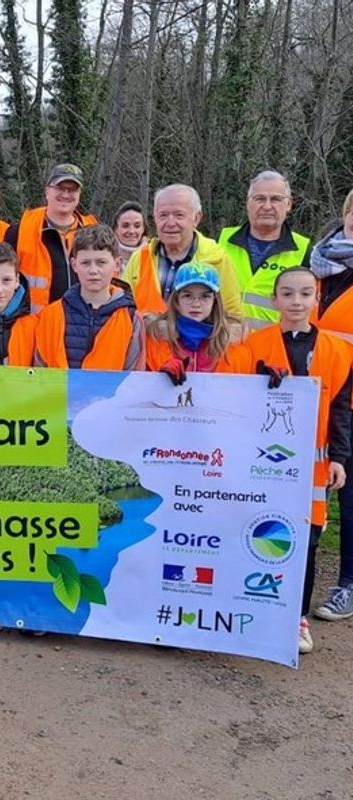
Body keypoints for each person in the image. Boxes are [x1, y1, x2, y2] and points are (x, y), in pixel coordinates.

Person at [226, 268, 352, 654]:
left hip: (311, 472)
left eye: (304, 294)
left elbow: (341, 409)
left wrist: (339, 458)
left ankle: (296, 618)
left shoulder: (336, 351)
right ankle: (251, 611)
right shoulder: (253, 344)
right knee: (254, 534)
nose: (296, 302)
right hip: (259, 466)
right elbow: (234, 399)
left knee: (306, 541)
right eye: (287, 294)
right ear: (275, 300)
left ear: (316, 299)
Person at [310, 187, 353, 621]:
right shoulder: (318, 266)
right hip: (308, 397)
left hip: (349, 400)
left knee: (349, 495)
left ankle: (348, 584)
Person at [121, 184, 243, 320]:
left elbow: (232, 318)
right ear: (154, 218)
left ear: (196, 218)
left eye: (179, 215)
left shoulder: (217, 259)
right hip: (144, 341)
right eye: (163, 215)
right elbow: (122, 309)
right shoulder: (139, 258)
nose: (170, 222)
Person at [33, 224, 145, 370]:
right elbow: (41, 373)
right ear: (74, 265)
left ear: (117, 264)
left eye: (101, 263)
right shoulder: (51, 315)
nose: (93, 271)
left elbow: (134, 377)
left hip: (111, 393)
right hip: (59, 393)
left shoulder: (131, 319)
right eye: (85, 263)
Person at [218, 171, 312, 328]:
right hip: (224, 346)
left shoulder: (304, 251)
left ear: (288, 204)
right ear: (248, 203)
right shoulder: (221, 241)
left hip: (273, 348)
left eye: (276, 199)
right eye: (259, 198)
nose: (267, 206)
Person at [4, 163, 100, 312]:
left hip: (83, 327)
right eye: (60, 188)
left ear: (79, 194)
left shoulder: (94, 232)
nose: (66, 194)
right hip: (34, 328)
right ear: (47, 191)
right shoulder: (19, 231)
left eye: (72, 189)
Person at [144, 263, 244, 379]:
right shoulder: (154, 339)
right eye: (188, 296)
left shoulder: (235, 343)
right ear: (176, 300)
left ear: (215, 301)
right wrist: (161, 376)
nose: (196, 304)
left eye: (205, 297)